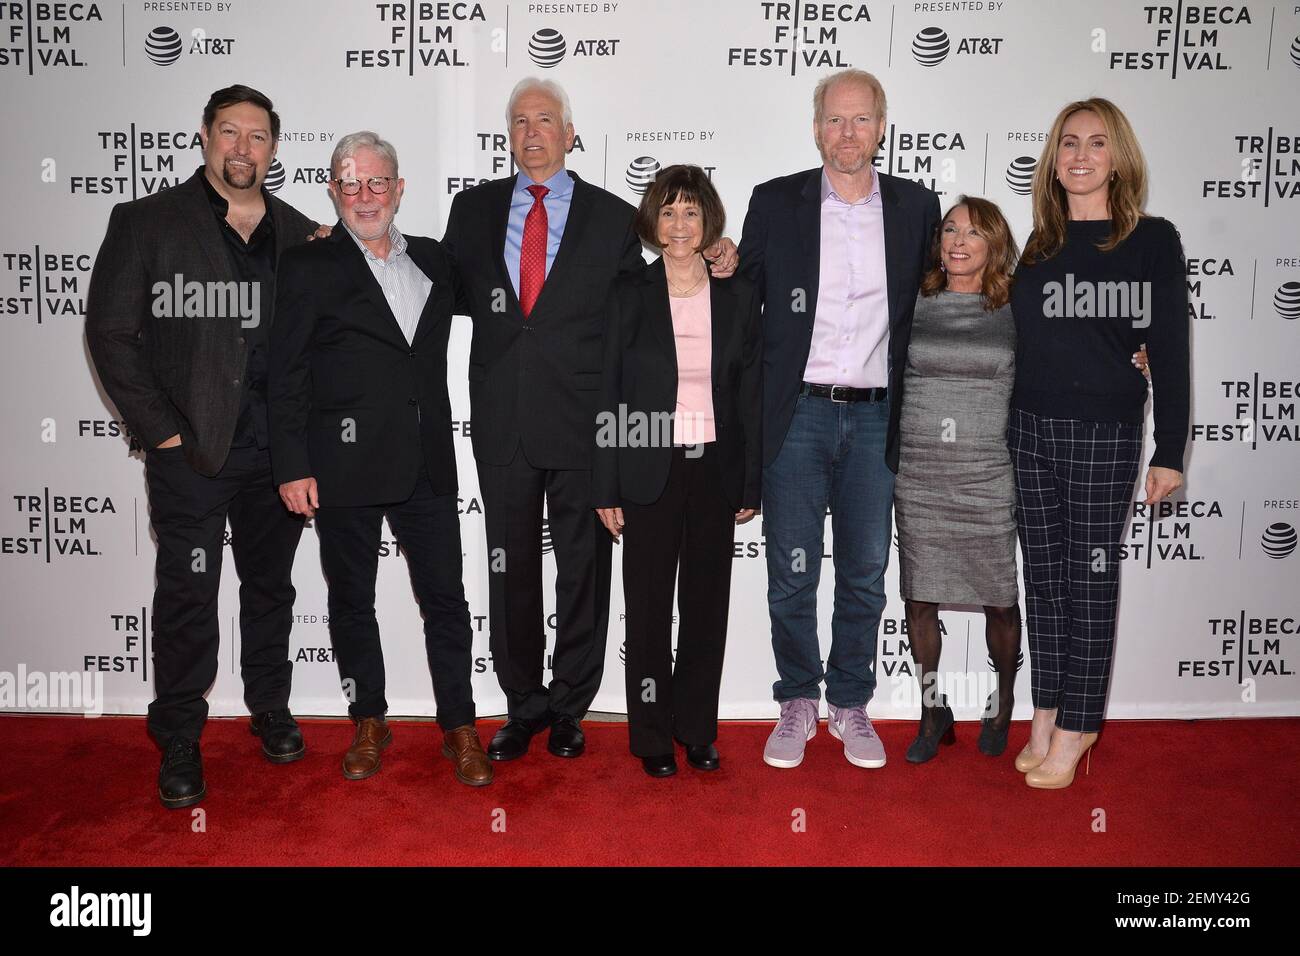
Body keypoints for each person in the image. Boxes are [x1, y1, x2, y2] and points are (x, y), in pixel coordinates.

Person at [441, 77, 737, 762]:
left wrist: (724, 257)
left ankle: (571, 703)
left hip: (585, 425)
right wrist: (363, 245)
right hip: (504, 422)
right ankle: (524, 705)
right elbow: (438, 283)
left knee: (584, 573)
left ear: (571, 134)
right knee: (509, 568)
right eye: (519, 122)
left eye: (546, 119)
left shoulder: (611, 218)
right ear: (507, 136)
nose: (532, 132)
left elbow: (657, 299)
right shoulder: (472, 210)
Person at [86, 85, 320, 809]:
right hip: (191, 455)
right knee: (188, 595)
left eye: (257, 136)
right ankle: (181, 736)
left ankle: (270, 708)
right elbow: (110, 334)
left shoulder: (301, 230)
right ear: (204, 137)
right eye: (229, 132)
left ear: (273, 148)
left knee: (272, 589)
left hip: (275, 455)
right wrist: (161, 430)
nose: (242, 148)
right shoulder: (147, 222)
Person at [268, 132, 491, 787]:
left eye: (377, 182)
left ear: (399, 189)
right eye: (351, 183)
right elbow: (286, 374)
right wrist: (291, 464)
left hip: (425, 463)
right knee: (352, 602)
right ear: (333, 192)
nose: (365, 195)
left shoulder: (435, 263)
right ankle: (369, 719)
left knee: (445, 600)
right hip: (341, 467)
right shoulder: (306, 266)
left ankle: (459, 724)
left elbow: (516, 300)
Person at [738, 68, 939, 770]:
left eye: (860, 120)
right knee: (792, 573)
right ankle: (797, 698)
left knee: (865, 570)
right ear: (816, 126)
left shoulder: (917, 206)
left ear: (882, 126)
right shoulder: (774, 202)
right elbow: (738, 305)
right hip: (797, 417)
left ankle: (850, 702)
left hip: (882, 419)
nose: (846, 133)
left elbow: (950, 301)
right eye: (834, 119)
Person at [1010, 97, 1189, 789]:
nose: (1080, 156)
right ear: (1053, 162)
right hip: (1027, 427)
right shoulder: (1037, 245)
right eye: (1068, 145)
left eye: (1095, 144)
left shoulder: (1151, 239)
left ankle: (1081, 725)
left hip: (1104, 432)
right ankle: (1048, 708)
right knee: (1044, 582)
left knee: (1088, 580)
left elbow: (1167, 347)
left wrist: (1169, 450)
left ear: (1119, 158)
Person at [593, 165, 762, 777]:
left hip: (714, 468)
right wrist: (606, 483)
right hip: (645, 466)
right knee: (646, 607)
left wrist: (750, 480)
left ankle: (696, 730)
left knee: (705, 606)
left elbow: (750, 393)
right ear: (652, 222)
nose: (680, 223)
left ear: (707, 220)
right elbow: (608, 391)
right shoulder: (627, 293)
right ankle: (651, 738)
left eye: (691, 211)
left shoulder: (738, 295)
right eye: (668, 211)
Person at [894, 197, 1021, 763]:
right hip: (921, 471)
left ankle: (1004, 702)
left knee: (999, 599)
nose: (958, 241)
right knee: (920, 598)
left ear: (994, 243)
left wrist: (1136, 354)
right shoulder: (912, 299)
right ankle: (931, 710)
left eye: (973, 232)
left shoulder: (1018, 305)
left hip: (988, 473)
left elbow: (1074, 353)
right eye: (950, 229)